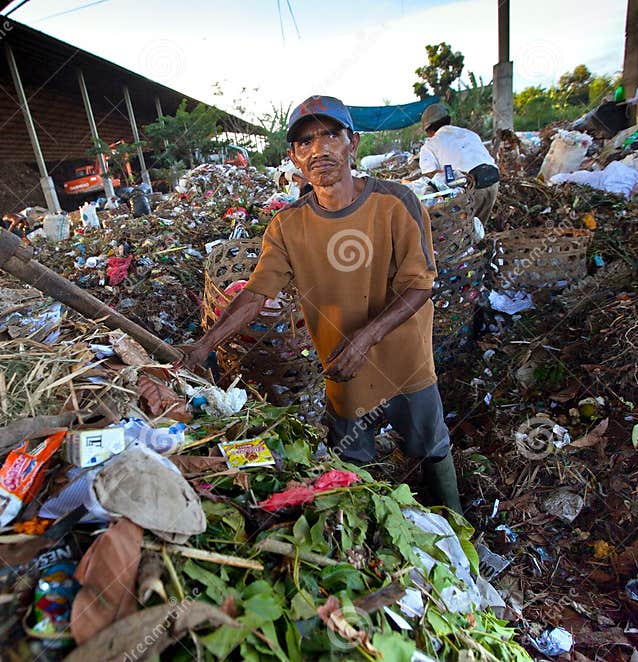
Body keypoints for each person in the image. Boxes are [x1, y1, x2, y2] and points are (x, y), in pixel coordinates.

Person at [181, 95, 462, 514]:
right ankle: (374, 541)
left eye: (331, 134)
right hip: (344, 370)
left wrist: (364, 339)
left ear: (354, 143)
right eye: (305, 141)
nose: (319, 149)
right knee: (353, 464)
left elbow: (420, 286)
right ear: (294, 157)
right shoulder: (288, 226)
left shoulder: (395, 203)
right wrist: (204, 345)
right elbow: (257, 294)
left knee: (431, 446)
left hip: (406, 363)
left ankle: (457, 533)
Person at [417, 103, 500, 230]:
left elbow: (430, 178)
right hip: (493, 181)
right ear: (448, 120)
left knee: (460, 232)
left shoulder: (430, 146)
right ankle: (477, 245)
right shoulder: (470, 134)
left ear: (429, 130)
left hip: (469, 189)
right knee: (478, 228)